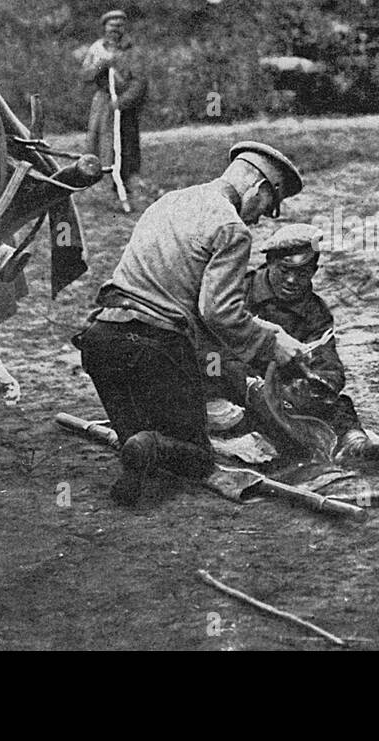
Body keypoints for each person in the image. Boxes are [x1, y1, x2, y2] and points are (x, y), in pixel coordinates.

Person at [71, 142, 309, 505]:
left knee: (141, 438)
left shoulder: (169, 201)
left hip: (101, 340)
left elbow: (177, 292)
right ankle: (148, 446)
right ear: (259, 189)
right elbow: (219, 312)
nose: (260, 218)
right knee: (197, 458)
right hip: (154, 348)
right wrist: (271, 341)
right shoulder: (231, 228)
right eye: (268, 206)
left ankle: (141, 448)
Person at [202, 222, 379, 465]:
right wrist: (239, 381)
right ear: (270, 262)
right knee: (214, 370)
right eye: (284, 270)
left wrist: (312, 384)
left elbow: (331, 370)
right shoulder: (238, 293)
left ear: (314, 271)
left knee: (334, 405)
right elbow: (208, 345)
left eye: (303, 273)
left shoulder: (315, 312)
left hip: (283, 396)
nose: (292, 280)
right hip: (229, 384)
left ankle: (354, 443)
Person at [80, 9, 145, 188]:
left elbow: (139, 82)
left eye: (119, 26)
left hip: (125, 104)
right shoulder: (96, 49)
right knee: (98, 140)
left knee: (127, 143)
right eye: (111, 25)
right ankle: (96, 179)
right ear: (105, 27)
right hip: (102, 101)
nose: (115, 29)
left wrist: (122, 101)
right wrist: (102, 63)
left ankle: (129, 180)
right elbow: (85, 76)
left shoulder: (132, 51)